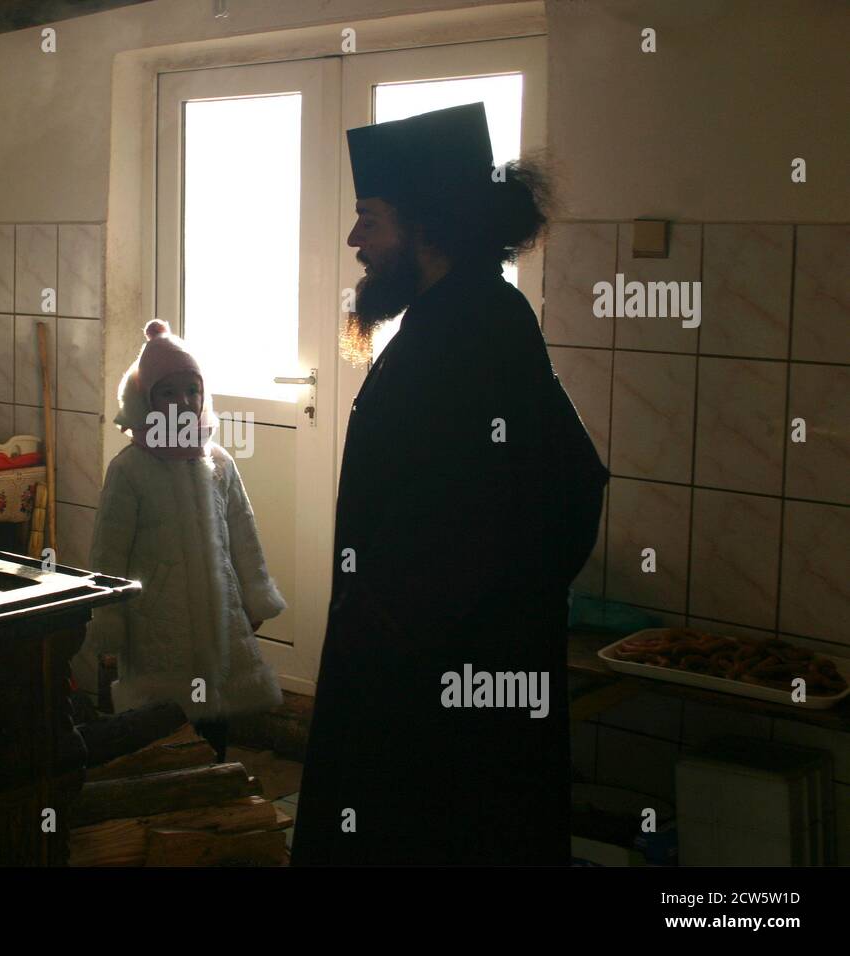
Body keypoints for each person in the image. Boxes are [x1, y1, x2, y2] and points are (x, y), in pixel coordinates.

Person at [291, 103, 608, 865]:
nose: (354, 240)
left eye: (369, 217)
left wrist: (423, 633)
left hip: (442, 689)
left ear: (426, 223)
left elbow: (563, 490)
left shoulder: (479, 327)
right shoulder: (451, 317)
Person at [87, 320, 286, 761]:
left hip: (220, 618)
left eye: (191, 391)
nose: (183, 402)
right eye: (168, 393)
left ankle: (213, 794)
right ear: (144, 401)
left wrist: (256, 599)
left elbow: (244, 536)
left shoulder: (218, 463)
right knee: (165, 729)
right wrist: (110, 626)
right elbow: (108, 555)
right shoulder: (129, 470)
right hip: (157, 623)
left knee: (215, 719)